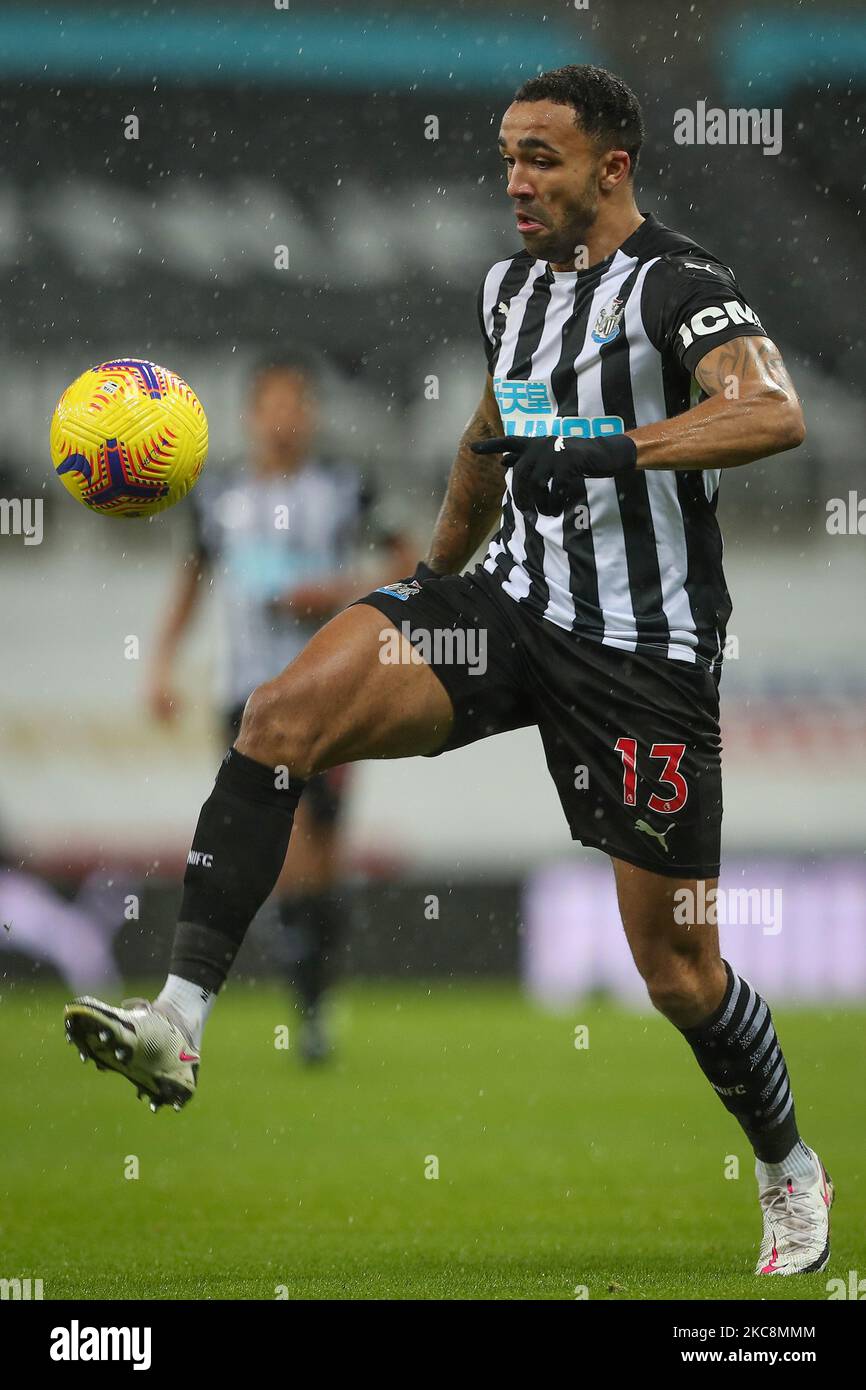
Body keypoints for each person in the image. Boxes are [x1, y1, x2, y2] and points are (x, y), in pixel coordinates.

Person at [65, 65, 830, 1276]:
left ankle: (786, 1165)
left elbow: (771, 410)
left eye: (542, 158)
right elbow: (489, 435)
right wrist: (429, 578)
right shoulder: (508, 291)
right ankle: (178, 1018)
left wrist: (613, 449)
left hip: (641, 657)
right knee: (277, 714)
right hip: (506, 609)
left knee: (676, 971)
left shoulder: (678, 284)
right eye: (506, 156)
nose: (515, 181)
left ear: (610, 168)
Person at [148, 350, 415, 1060]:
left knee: (324, 858)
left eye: (298, 404)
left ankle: (314, 993)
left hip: (333, 692)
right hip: (245, 697)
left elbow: (410, 564)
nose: (286, 417)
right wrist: (162, 664)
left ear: (312, 413)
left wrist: (337, 594)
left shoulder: (346, 486)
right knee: (284, 851)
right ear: (251, 414)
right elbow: (191, 580)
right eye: (274, 404)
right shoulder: (217, 496)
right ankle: (302, 992)